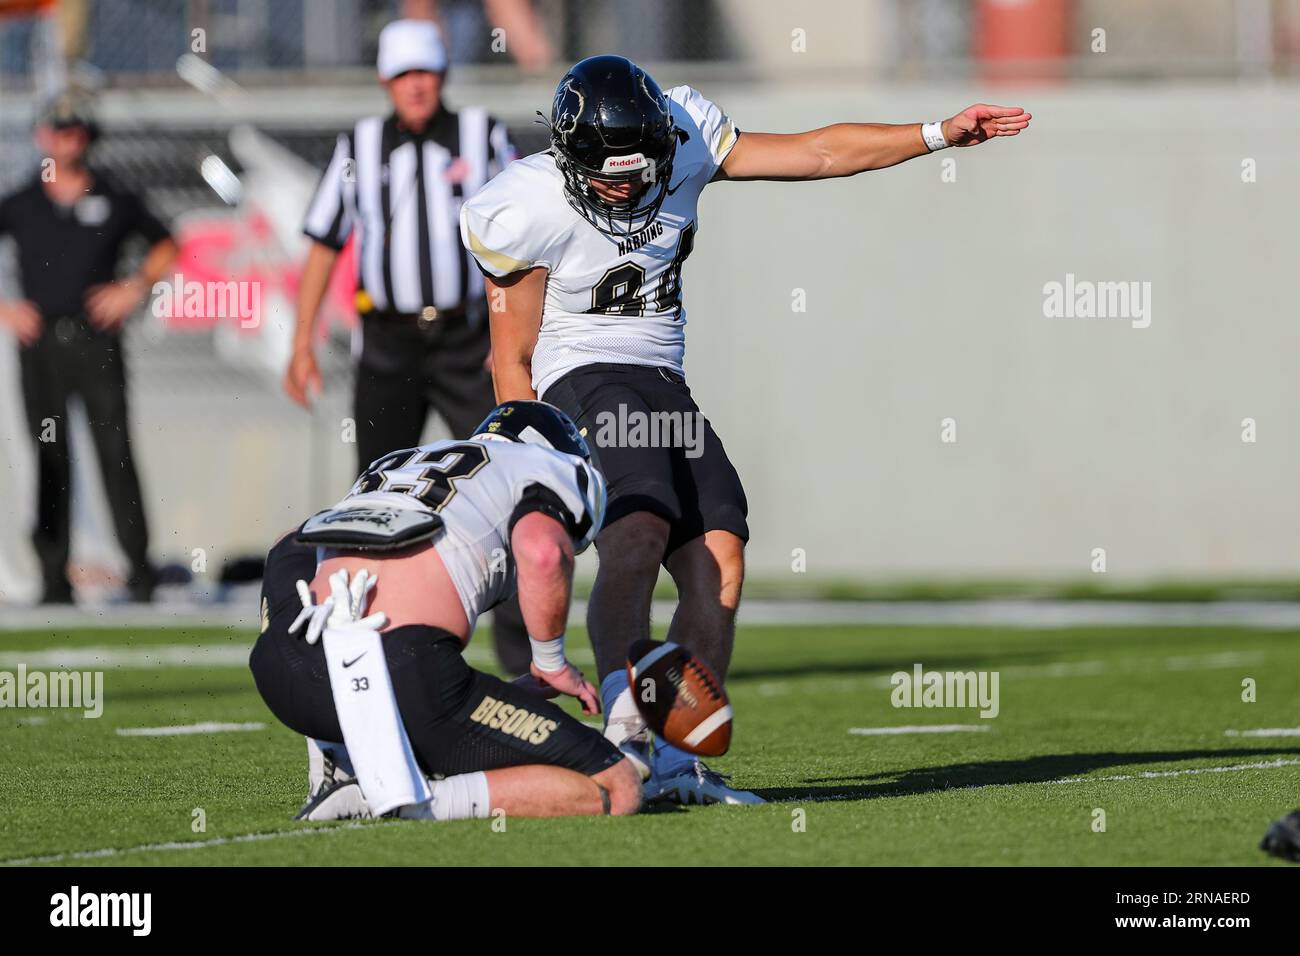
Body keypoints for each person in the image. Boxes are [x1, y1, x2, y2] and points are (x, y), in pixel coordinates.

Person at [461, 55, 1032, 803]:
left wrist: (935, 134)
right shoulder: (525, 204)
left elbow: (817, 151)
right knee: (635, 533)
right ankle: (625, 735)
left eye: (640, 171)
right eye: (610, 176)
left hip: (663, 377)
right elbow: (512, 357)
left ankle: (676, 754)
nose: (628, 189)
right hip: (583, 374)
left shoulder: (688, 134)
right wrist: (533, 464)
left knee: (719, 554)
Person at [249, 400, 642, 821]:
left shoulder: (399, 463)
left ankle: (335, 758)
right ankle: (405, 800)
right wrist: (550, 662)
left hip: (283, 672)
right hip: (399, 677)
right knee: (618, 786)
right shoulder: (543, 464)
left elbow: (288, 544)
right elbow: (543, 552)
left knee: (294, 557)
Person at [285, 18, 529, 673]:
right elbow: (321, 244)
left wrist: (515, 336)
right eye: (403, 75)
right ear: (385, 81)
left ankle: (522, 657)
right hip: (388, 344)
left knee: (505, 484)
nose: (415, 87)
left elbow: (525, 237)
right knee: (377, 496)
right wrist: (300, 342)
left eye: (425, 73)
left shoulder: (482, 136)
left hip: (465, 338)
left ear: (441, 76)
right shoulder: (358, 146)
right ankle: (379, 649)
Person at [0, 91, 177, 604]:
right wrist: (7, 309)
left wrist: (133, 286)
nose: (67, 140)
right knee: (49, 457)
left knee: (115, 453)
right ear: (42, 138)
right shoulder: (22, 202)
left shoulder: (116, 199)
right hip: (41, 348)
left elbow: (167, 242)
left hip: (96, 344)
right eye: (58, 131)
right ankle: (54, 580)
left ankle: (140, 573)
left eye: (76, 131)